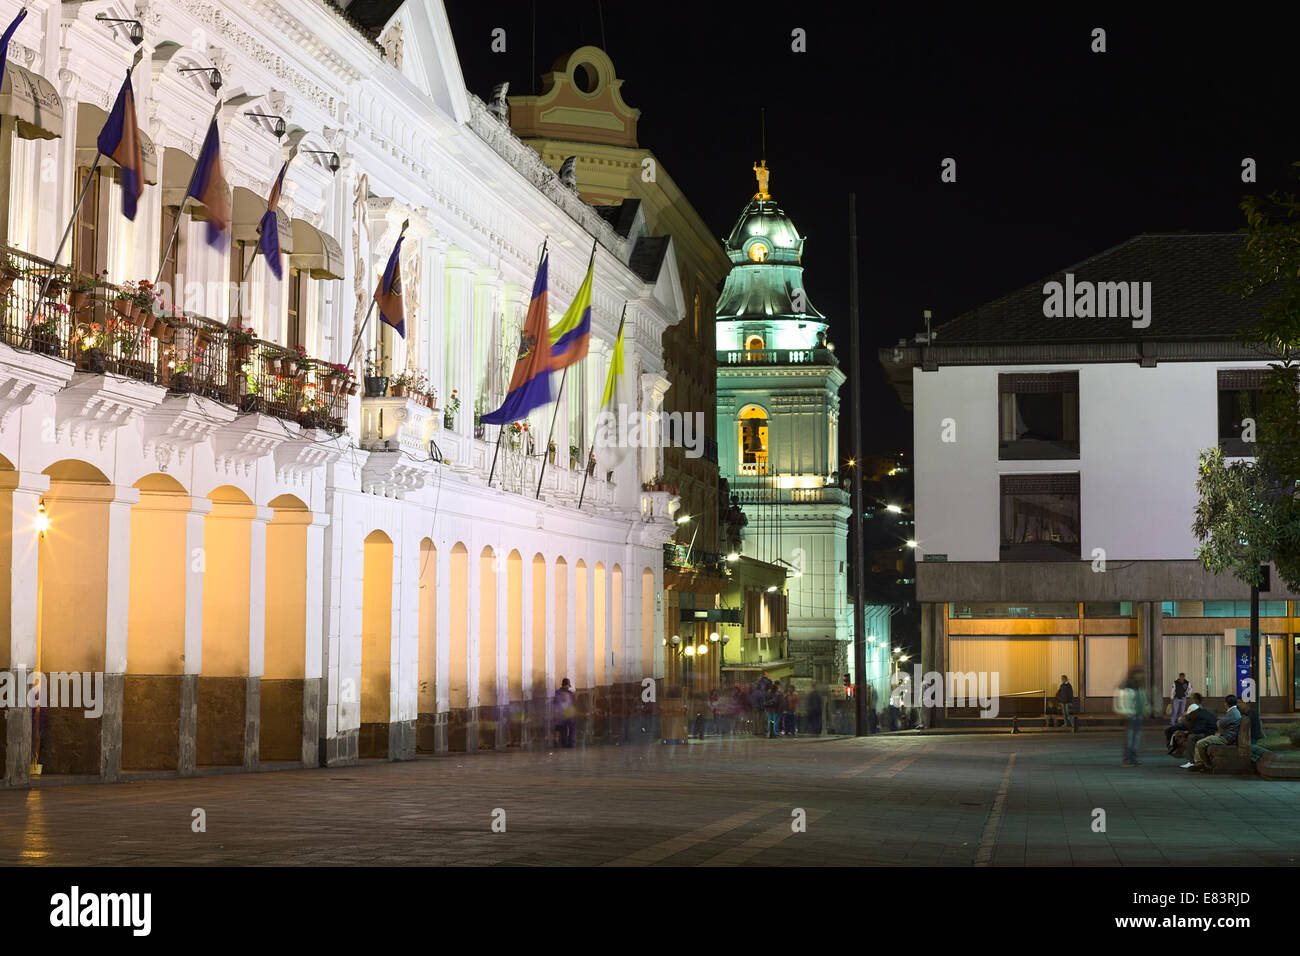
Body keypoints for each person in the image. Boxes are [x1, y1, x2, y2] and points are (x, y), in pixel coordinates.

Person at [1184, 694, 1241, 771]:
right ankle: (1201, 763)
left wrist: (1220, 725)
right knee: (1202, 741)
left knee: (1200, 743)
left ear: (1226, 703)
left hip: (1226, 738)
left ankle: (1205, 764)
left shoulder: (1233, 713)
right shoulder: (1233, 712)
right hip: (1225, 736)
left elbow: (1220, 723)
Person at [1115, 665, 1148, 767]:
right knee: (1130, 739)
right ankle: (1127, 760)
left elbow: (1143, 700)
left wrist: (1145, 710)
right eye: (1139, 673)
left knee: (1136, 739)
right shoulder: (1125, 687)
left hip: (1138, 716)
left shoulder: (1139, 686)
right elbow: (1119, 702)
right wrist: (1125, 712)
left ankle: (1133, 759)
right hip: (1130, 716)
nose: (1141, 675)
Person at [554, 678, 577, 748]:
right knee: (572, 728)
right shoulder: (570, 693)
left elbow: (555, 704)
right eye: (568, 686)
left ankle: (564, 744)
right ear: (566, 685)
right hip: (567, 714)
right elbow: (574, 703)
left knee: (563, 729)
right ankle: (571, 744)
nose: (568, 687)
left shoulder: (557, 692)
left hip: (561, 714)